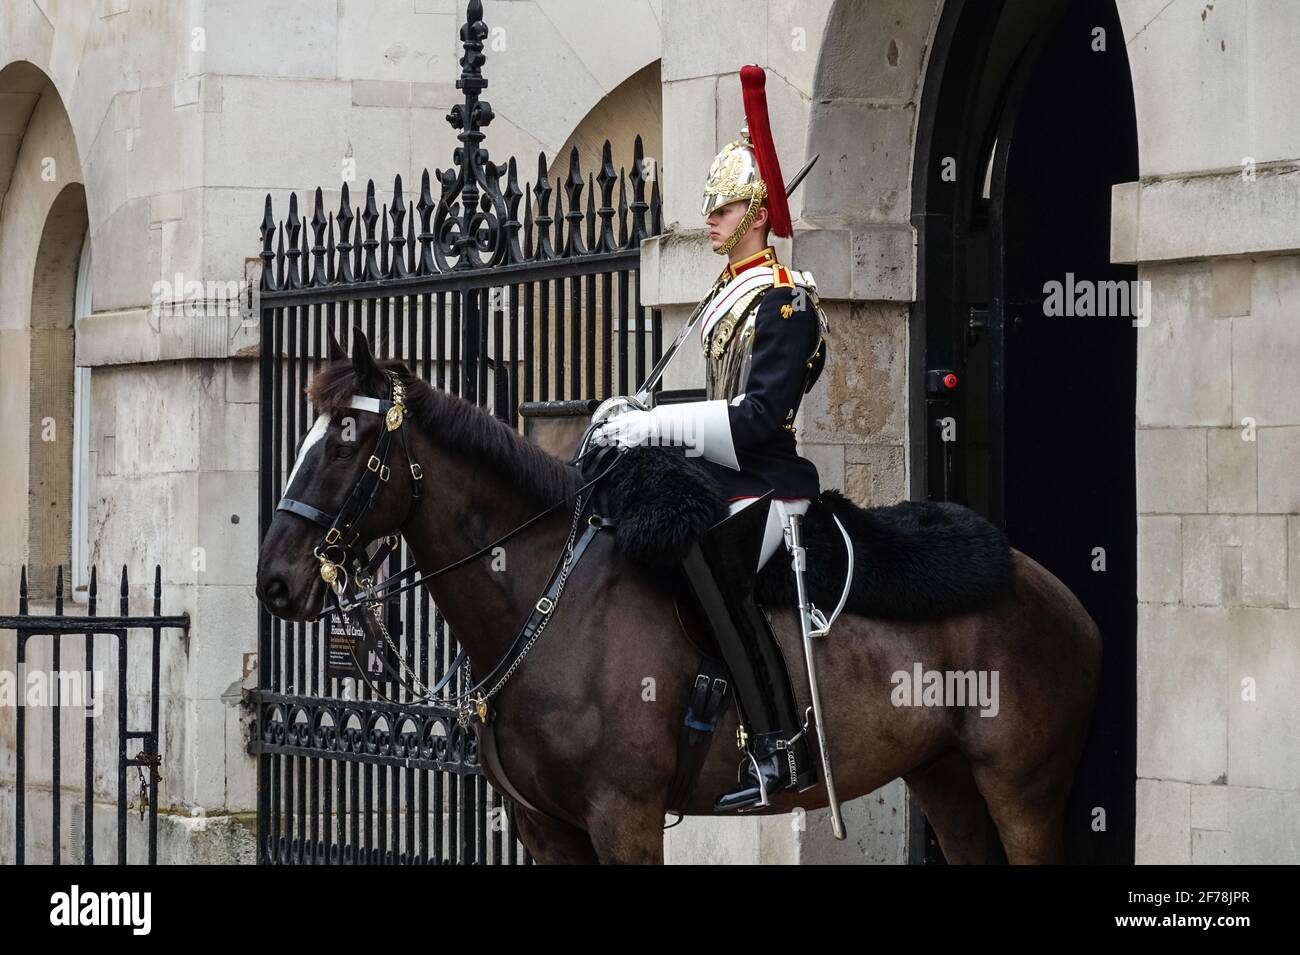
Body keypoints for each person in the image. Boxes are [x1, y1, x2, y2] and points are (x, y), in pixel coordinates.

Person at [591, 64, 829, 811]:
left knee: (708, 562)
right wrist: (632, 414)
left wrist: (653, 426)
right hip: (731, 479)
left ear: (757, 212)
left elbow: (756, 418)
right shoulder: (727, 295)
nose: (711, 220)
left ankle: (777, 746)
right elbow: (716, 405)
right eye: (711, 209)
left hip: (772, 488)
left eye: (722, 208)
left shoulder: (786, 303)